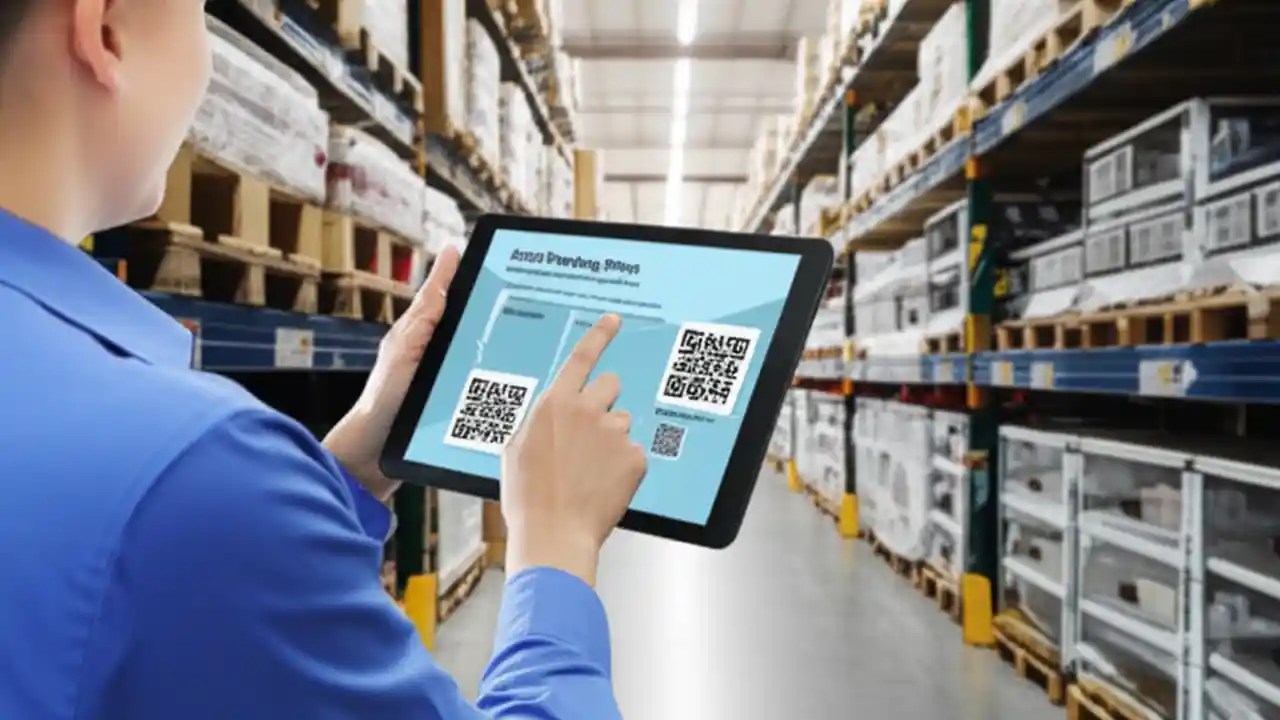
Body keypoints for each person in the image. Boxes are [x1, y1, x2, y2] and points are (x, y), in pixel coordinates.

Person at [0, 1, 647, 718]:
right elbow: (179, 521)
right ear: (106, 31)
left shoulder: (170, 471)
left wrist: (355, 464)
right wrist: (555, 543)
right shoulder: (183, 467)